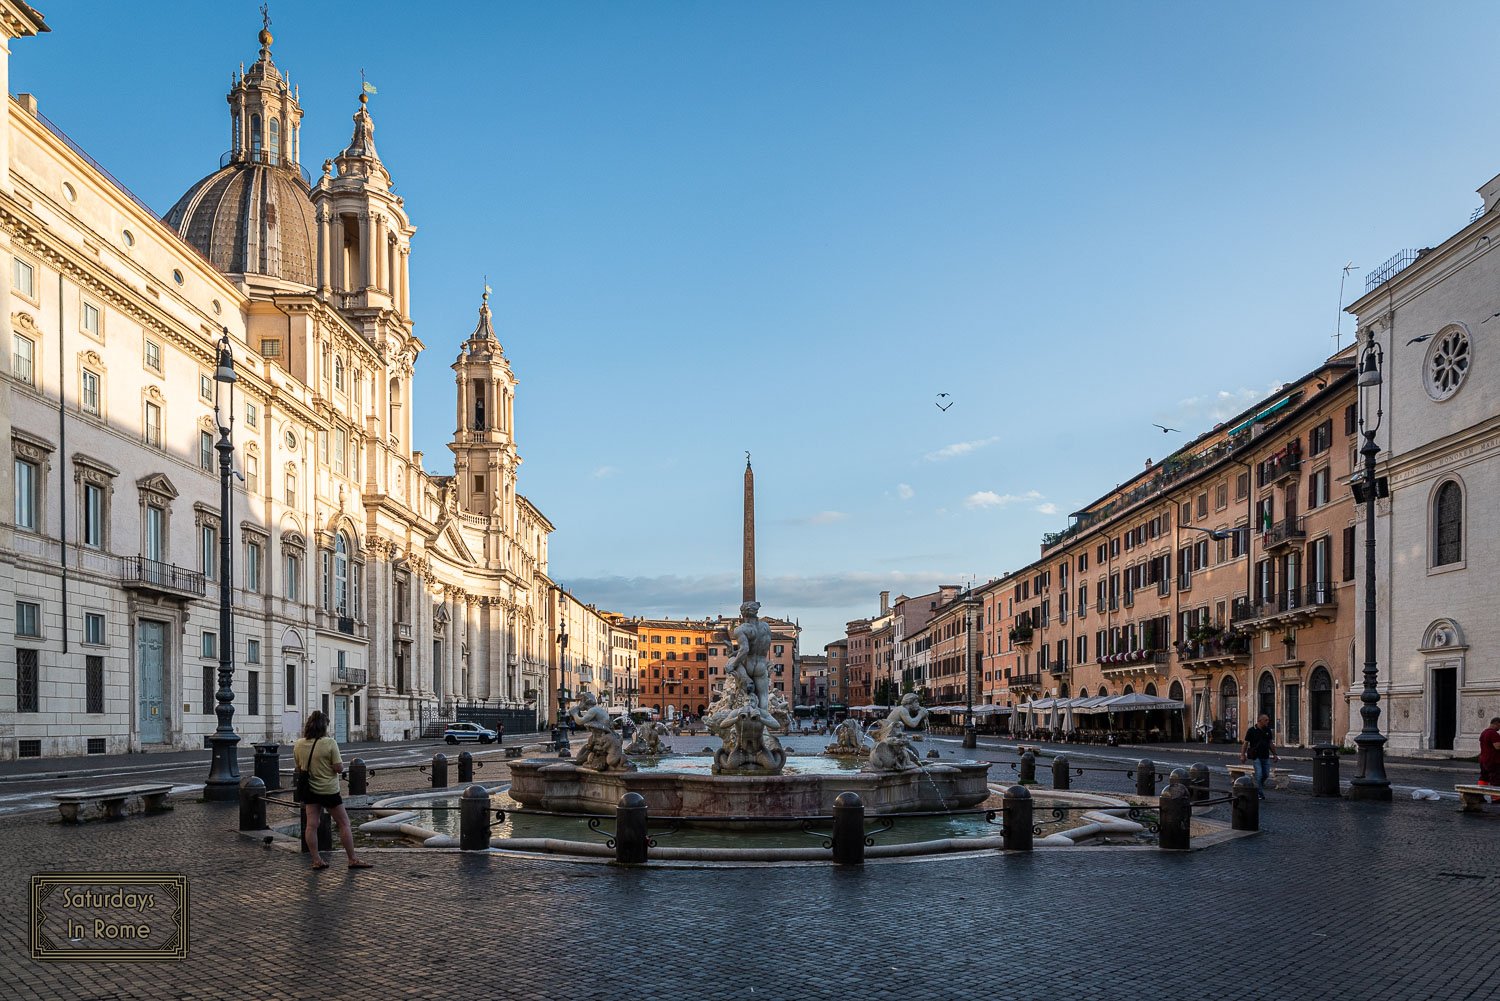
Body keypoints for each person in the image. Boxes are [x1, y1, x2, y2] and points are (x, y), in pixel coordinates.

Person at [294, 711, 373, 871]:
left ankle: (316, 860)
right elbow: (338, 768)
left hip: (309, 790)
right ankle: (352, 859)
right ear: (324, 727)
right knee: (344, 823)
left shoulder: (299, 744)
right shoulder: (330, 743)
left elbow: (299, 767)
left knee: (311, 825)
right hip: (329, 790)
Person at [1241, 714, 1278, 800]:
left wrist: (1275, 754)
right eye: (1266, 720)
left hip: (1265, 756)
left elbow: (1270, 743)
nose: (1268, 722)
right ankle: (1259, 794)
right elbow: (1245, 743)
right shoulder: (1251, 730)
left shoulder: (1268, 730)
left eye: (1268, 720)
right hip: (1256, 756)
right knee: (1259, 774)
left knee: (1266, 774)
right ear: (1260, 721)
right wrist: (1242, 755)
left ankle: (1257, 785)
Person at [1479, 716, 1500, 792]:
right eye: (1499, 726)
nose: (1499, 728)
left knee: (1484, 777)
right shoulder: (1493, 733)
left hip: (1483, 760)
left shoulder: (1484, 732)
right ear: (1496, 723)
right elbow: (1497, 747)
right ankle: (1496, 798)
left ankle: (1480, 795)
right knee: (1496, 778)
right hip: (1493, 760)